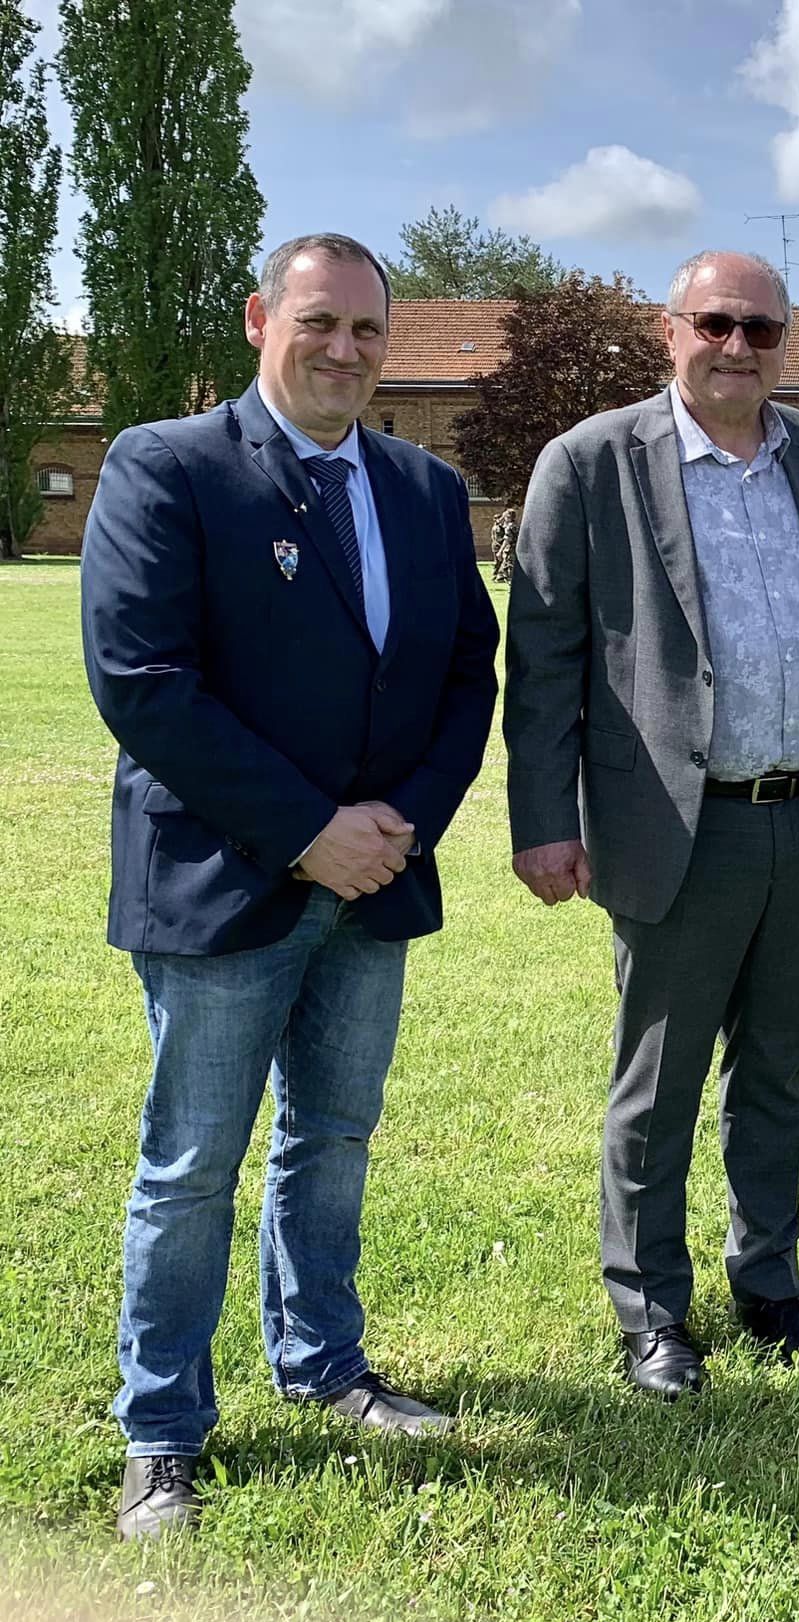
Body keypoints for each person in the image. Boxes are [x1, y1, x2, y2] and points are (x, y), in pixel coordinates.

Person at [79, 233, 501, 1541]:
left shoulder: (427, 491)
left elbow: (466, 679)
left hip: (376, 886)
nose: (343, 350)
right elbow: (144, 684)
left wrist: (399, 829)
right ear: (263, 316)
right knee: (191, 1167)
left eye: (367, 331)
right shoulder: (168, 466)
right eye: (319, 322)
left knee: (333, 1142)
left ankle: (324, 1364)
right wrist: (310, 829)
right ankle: (160, 1428)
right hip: (224, 888)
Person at [504, 248, 799, 1401]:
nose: (737, 347)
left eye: (762, 331)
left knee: (776, 1070)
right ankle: (651, 1313)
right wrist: (542, 819)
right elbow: (541, 664)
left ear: (789, 347)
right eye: (716, 323)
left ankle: (768, 1288)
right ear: (669, 331)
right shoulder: (589, 463)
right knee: (660, 1081)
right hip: (676, 826)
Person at [491, 504, 520, 584]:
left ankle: (507, 581)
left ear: (508, 518)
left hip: (510, 549)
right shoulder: (516, 525)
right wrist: (503, 516)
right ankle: (501, 577)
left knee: (509, 568)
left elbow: (507, 539)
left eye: (506, 517)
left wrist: (500, 551)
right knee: (507, 567)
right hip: (516, 549)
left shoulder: (509, 527)